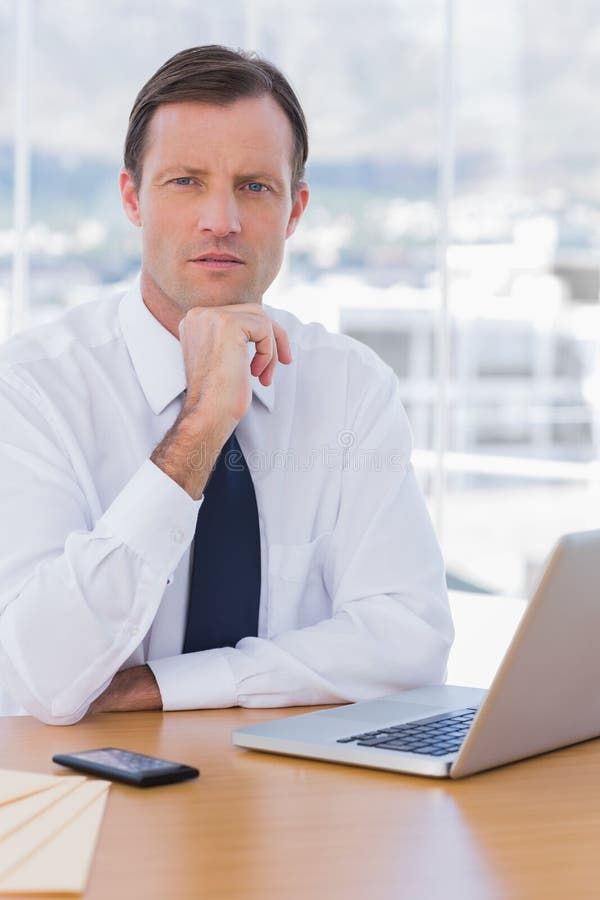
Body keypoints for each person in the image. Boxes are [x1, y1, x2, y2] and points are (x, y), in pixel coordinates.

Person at [0, 46, 453, 725]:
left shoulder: (352, 388)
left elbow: (410, 644)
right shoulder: (33, 390)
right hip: (87, 796)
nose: (222, 220)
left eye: (254, 186)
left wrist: (160, 684)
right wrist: (203, 423)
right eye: (185, 182)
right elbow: (40, 674)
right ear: (132, 197)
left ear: (294, 210)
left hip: (299, 799)